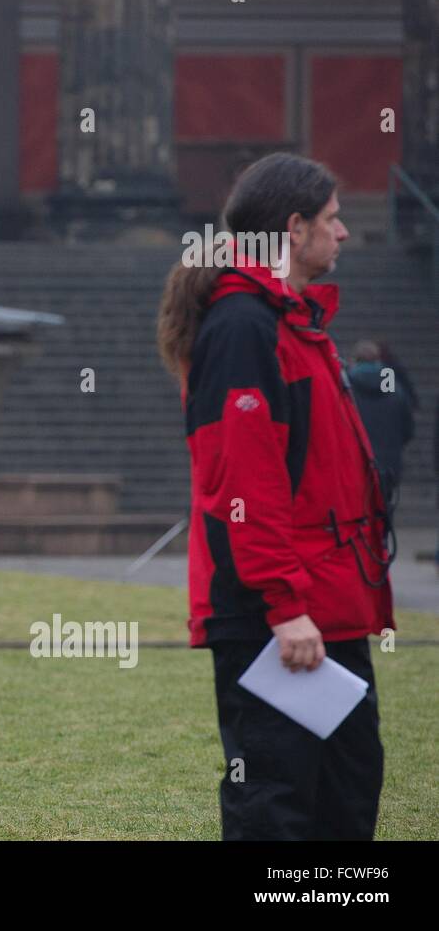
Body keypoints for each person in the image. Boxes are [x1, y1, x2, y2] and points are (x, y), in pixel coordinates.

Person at [156, 152, 395, 840]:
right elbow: (241, 482)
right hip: (281, 617)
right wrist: (286, 607)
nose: (343, 232)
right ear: (294, 228)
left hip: (321, 605)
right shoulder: (245, 327)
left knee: (345, 793)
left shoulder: (288, 321)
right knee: (278, 803)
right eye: (332, 218)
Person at [348, 339, 415, 507]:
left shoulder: (348, 386)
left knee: (360, 508)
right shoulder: (392, 386)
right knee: (384, 508)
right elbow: (407, 428)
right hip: (389, 460)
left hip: (357, 458)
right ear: (378, 360)